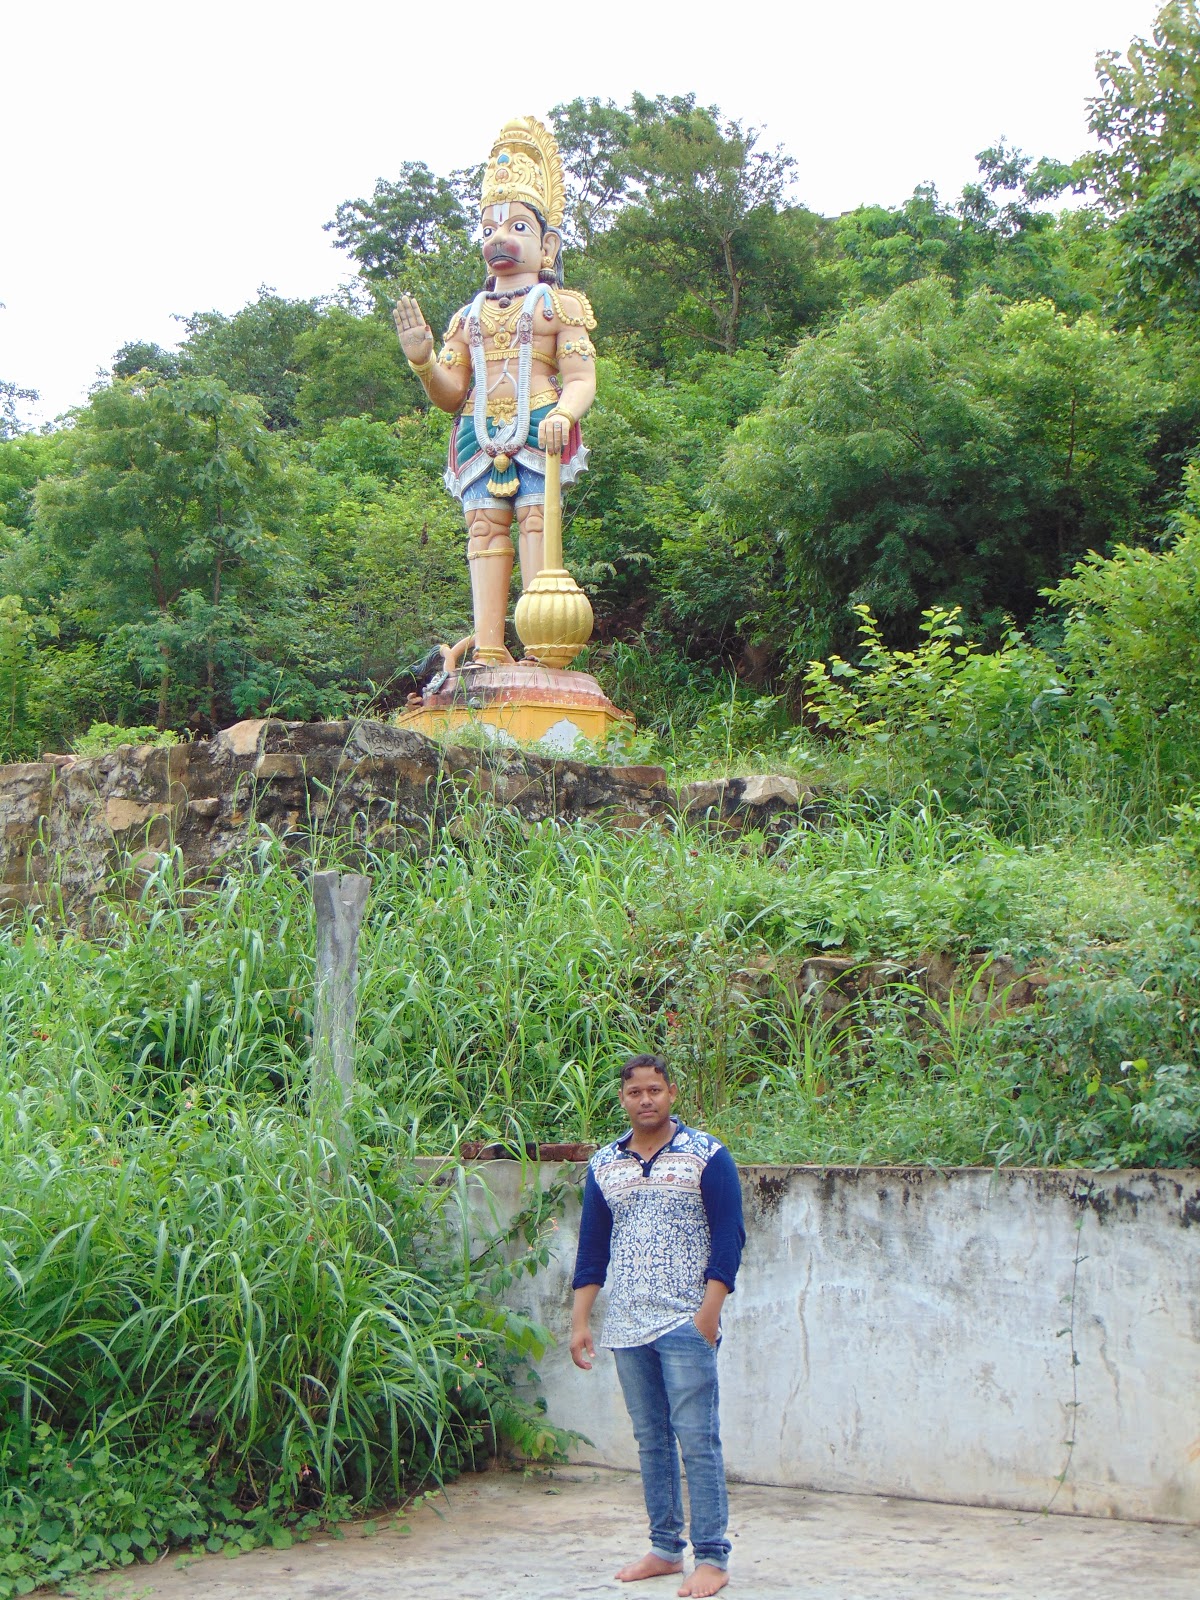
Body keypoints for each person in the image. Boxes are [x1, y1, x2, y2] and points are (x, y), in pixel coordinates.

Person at [392, 115, 598, 668]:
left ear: (547, 244)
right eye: (488, 229)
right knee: (483, 530)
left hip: (537, 425)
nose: (498, 239)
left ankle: (539, 647)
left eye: (517, 228)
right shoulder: (467, 317)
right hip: (477, 434)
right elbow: (453, 391)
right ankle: (487, 647)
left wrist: (564, 412)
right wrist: (424, 362)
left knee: (536, 522)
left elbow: (581, 379)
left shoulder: (560, 305)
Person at [570, 1054, 745, 1598]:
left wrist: (708, 1314)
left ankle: (712, 1556)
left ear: (672, 1094)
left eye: (655, 1090)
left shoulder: (706, 1155)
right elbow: (592, 1250)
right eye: (635, 1093)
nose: (645, 1100)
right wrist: (581, 1321)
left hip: (684, 1319)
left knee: (697, 1439)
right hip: (626, 1324)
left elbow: (730, 1236)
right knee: (651, 1442)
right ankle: (666, 1548)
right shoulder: (604, 1166)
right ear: (622, 1100)